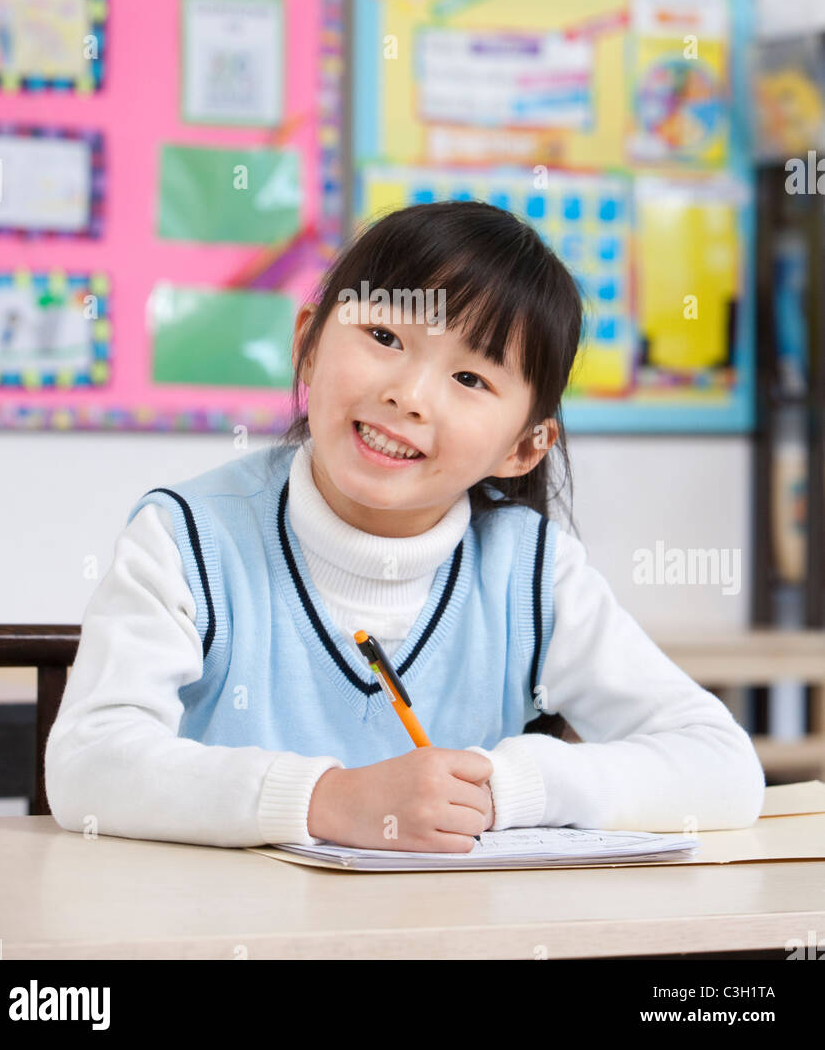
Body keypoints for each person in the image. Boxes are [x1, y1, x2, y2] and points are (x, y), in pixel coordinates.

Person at [45, 201, 765, 852]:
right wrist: (327, 801)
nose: (408, 394)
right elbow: (89, 764)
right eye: (385, 335)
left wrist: (503, 788)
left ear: (523, 447)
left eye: (471, 379)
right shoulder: (187, 539)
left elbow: (724, 768)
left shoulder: (531, 573)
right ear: (310, 341)